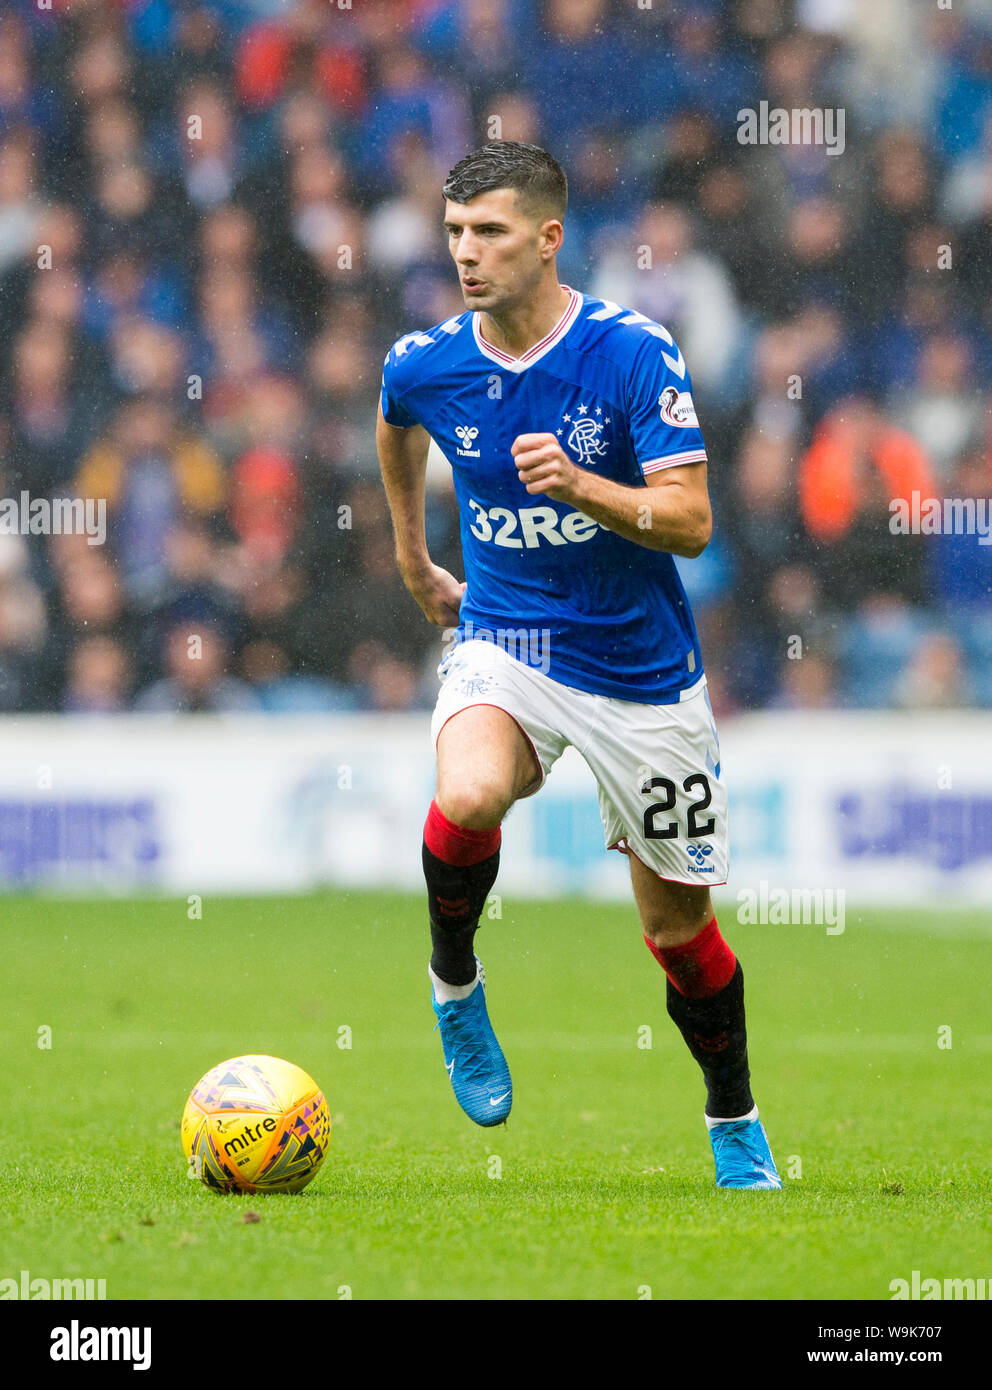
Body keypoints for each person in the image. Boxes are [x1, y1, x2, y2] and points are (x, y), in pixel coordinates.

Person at [376, 141, 780, 1188]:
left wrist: (580, 487)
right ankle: (454, 984)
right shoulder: (427, 361)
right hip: (504, 640)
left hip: (639, 672)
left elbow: (689, 521)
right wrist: (413, 557)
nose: (467, 253)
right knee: (466, 792)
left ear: (548, 237)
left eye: (491, 233)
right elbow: (394, 419)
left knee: (676, 931)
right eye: (456, 233)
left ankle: (731, 1115)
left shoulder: (631, 353)